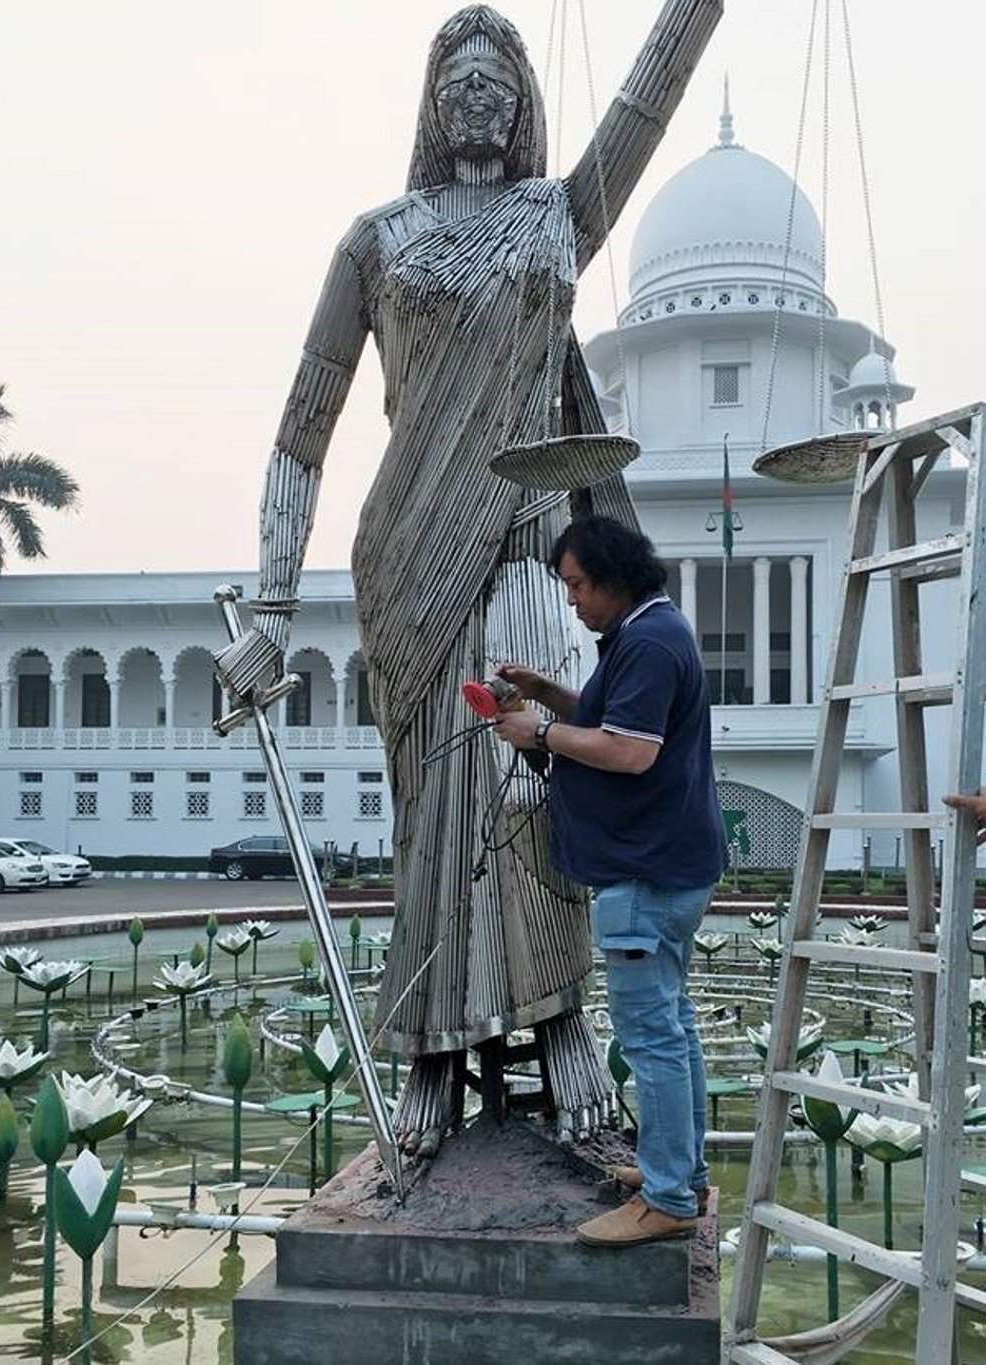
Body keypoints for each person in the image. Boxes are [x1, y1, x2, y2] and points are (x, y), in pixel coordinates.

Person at [213, 3, 723, 1152]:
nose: (479, 93)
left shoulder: (558, 217)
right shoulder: (375, 239)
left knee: (529, 781)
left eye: (500, 76)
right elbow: (304, 427)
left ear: (525, 101)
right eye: (460, 78)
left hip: (528, 528)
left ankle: (557, 1027)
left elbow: (644, 107)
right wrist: (273, 606)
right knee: (433, 810)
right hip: (409, 551)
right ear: (431, 106)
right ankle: (436, 1052)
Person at [494, 515, 728, 1245]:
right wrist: (551, 695)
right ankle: (678, 1171)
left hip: (644, 868)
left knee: (651, 1035)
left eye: (577, 584)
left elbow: (627, 751)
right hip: (663, 863)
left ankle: (666, 1199)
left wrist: (536, 732)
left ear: (613, 576)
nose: (571, 600)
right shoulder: (647, 633)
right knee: (674, 1026)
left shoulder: (652, 642)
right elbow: (607, 718)